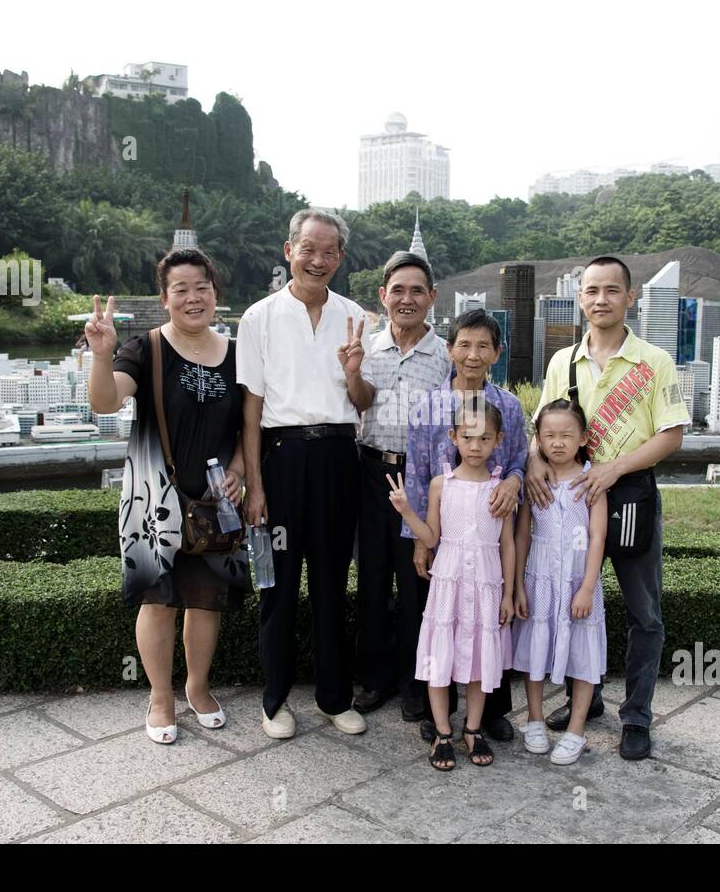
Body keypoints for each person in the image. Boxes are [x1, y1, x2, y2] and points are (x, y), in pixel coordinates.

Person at [526, 256, 688, 761]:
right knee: (573, 598)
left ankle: (636, 716)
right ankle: (587, 697)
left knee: (644, 613)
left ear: (629, 297)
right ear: (580, 298)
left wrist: (614, 469)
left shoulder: (654, 363)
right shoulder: (562, 362)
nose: (601, 299)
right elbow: (543, 427)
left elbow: (672, 435)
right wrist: (532, 463)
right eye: (592, 290)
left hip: (630, 493)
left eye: (612, 290)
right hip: (570, 497)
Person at [85, 248, 244, 745]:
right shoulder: (146, 348)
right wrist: (101, 354)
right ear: (165, 298)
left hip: (217, 500)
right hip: (155, 500)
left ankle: (198, 688)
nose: (193, 297)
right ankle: (160, 695)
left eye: (202, 286)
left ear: (215, 292)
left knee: (205, 601)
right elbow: (105, 400)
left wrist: (240, 469)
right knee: (158, 600)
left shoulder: (239, 354)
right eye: (181, 289)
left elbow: (251, 422)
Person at [238, 208, 373, 740]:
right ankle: (273, 703)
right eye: (308, 248)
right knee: (276, 584)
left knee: (331, 584)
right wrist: (255, 484)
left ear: (340, 258)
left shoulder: (354, 315)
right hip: (282, 458)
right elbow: (251, 408)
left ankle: (333, 697)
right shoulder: (259, 317)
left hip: (340, 458)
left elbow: (363, 404)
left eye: (329, 251)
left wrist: (354, 373)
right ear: (288, 249)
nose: (318, 259)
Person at [403, 309, 527, 743]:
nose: (472, 355)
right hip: (442, 532)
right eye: (464, 344)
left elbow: (519, 462)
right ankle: (437, 712)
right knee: (441, 620)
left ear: (497, 352)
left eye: (483, 346)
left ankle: (491, 711)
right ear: (450, 348)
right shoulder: (428, 406)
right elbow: (417, 473)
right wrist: (419, 543)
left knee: (487, 621)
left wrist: (513, 481)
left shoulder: (508, 407)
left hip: (489, 531)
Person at [387, 399, 516, 771]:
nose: (475, 446)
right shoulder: (441, 484)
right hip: (449, 583)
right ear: (453, 437)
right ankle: (443, 731)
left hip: (487, 584)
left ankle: (473, 728)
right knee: (439, 656)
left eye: (484, 438)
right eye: (468, 437)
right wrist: (406, 510)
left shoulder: (500, 490)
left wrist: (508, 593)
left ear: (498, 440)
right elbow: (430, 538)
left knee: (480, 660)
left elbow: (507, 544)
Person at [353, 251, 450, 720]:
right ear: (383, 296)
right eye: (398, 290)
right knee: (371, 577)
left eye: (417, 291)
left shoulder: (446, 354)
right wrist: (353, 371)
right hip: (371, 471)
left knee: (419, 583)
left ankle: (417, 685)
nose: (406, 299)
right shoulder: (366, 348)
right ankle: (374, 678)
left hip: (423, 477)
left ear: (432, 298)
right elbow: (358, 403)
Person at [513, 400, 608, 765]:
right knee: (535, 644)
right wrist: (518, 585)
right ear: (538, 439)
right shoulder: (534, 482)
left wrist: (587, 586)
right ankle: (534, 719)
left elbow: (598, 538)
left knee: (583, 652)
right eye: (549, 435)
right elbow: (523, 534)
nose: (557, 443)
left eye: (567, 435)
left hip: (576, 579)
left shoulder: (591, 481)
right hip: (539, 576)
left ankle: (576, 730)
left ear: (582, 438)